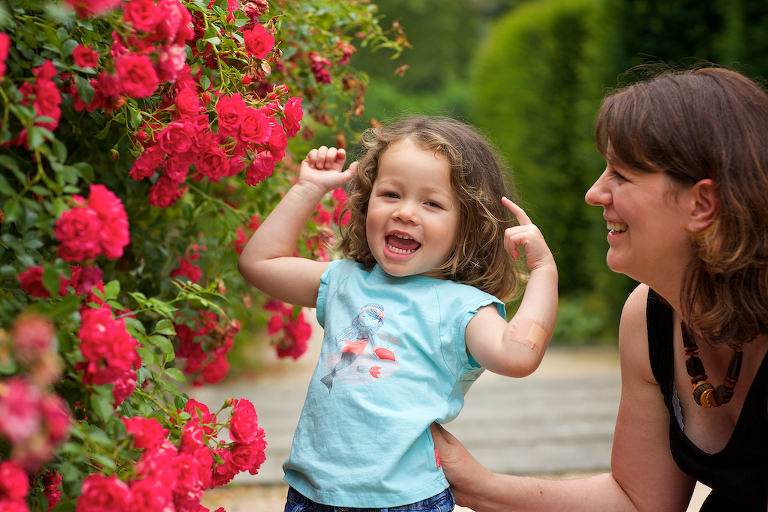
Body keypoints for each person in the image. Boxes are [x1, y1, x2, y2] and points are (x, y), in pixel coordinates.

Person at [430, 67, 768, 511]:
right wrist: (473, 482)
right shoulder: (647, 317)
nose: (594, 193)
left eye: (621, 176)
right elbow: (638, 501)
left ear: (701, 204)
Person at [238, 116, 558, 510]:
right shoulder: (344, 281)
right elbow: (259, 263)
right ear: (366, 200)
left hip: (407, 499)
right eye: (390, 194)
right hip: (312, 492)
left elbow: (519, 355)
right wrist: (308, 189)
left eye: (432, 203)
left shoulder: (461, 306)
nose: (406, 213)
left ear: (468, 227)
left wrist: (544, 271)